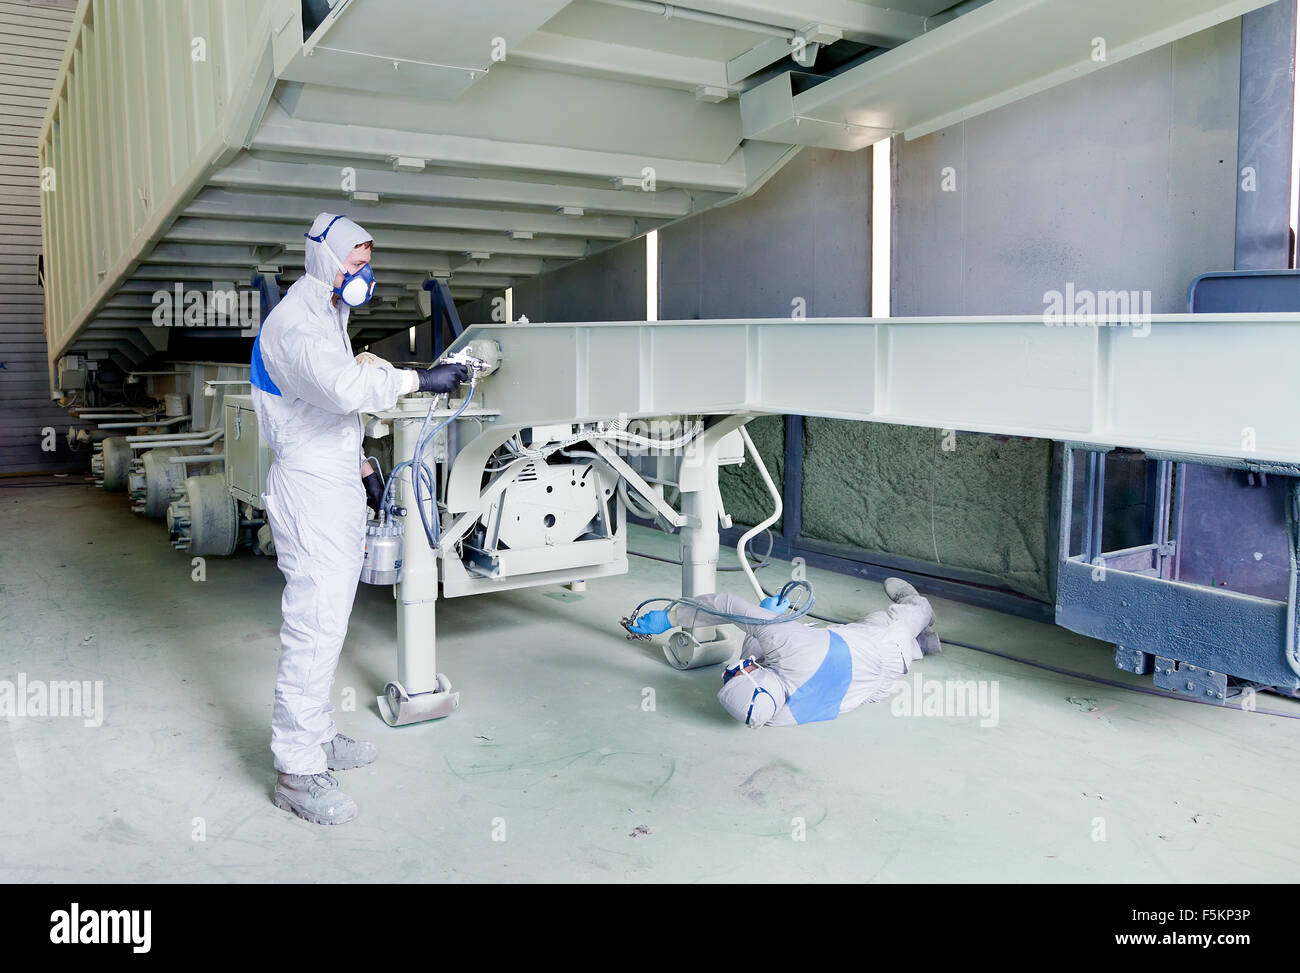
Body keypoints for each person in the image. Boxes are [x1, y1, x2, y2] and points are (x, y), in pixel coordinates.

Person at [250, 212, 467, 825]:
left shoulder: (325, 314)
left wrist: (364, 467)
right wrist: (421, 378)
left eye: (366, 260)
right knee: (313, 626)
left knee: (330, 620)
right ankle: (296, 769)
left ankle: (316, 737)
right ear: (324, 260)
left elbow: (326, 410)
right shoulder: (296, 322)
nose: (363, 272)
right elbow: (344, 389)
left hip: (332, 477)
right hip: (309, 487)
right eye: (353, 261)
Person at [628, 578, 940, 728]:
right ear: (755, 677)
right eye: (740, 671)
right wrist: (671, 618)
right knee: (902, 618)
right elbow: (725, 604)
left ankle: (922, 646)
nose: (738, 666)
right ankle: (918, 607)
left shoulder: (773, 715)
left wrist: (766, 619)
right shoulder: (789, 649)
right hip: (879, 645)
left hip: (874, 688)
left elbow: (759, 661)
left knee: (890, 652)